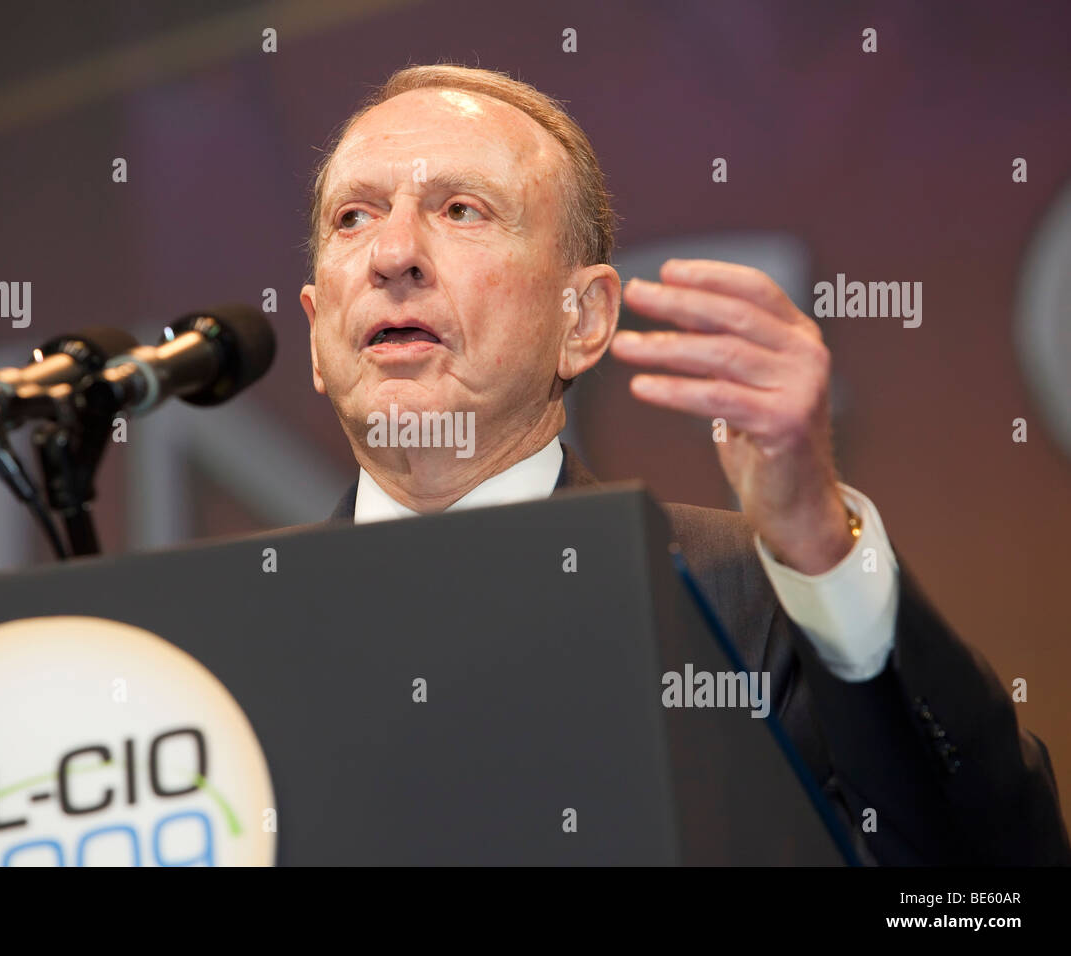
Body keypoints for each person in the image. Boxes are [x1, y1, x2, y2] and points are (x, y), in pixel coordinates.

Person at [297, 63, 1069, 864]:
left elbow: (990, 899)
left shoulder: (744, 600)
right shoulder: (229, 645)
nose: (392, 253)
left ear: (584, 320)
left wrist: (818, 548)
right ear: (319, 332)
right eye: (353, 217)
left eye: (462, 209)